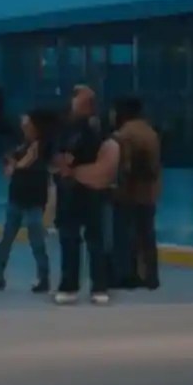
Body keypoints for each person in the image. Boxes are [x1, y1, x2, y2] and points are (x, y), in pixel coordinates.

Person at [53, 86, 116, 305]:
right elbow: (58, 155)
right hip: (69, 189)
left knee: (95, 239)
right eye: (80, 98)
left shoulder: (98, 127)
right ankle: (69, 285)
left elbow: (106, 154)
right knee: (70, 238)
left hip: (93, 189)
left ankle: (99, 286)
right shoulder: (64, 126)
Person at [0, 112, 53, 294]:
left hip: (33, 201)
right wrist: (12, 164)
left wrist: (15, 165)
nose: (24, 127)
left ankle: (43, 279)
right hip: (17, 199)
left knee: (37, 243)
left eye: (27, 124)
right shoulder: (21, 146)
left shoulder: (42, 147)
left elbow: (24, 163)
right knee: (7, 241)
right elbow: (9, 166)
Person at [110, 98, 162, 290]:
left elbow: (124, 167)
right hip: (149, 193)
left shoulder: (124, 134)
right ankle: (151, 276)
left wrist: (116, 189)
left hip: (128, 194)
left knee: (125, 236)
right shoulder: (151, 132)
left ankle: (127, 275)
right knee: (147, 235)